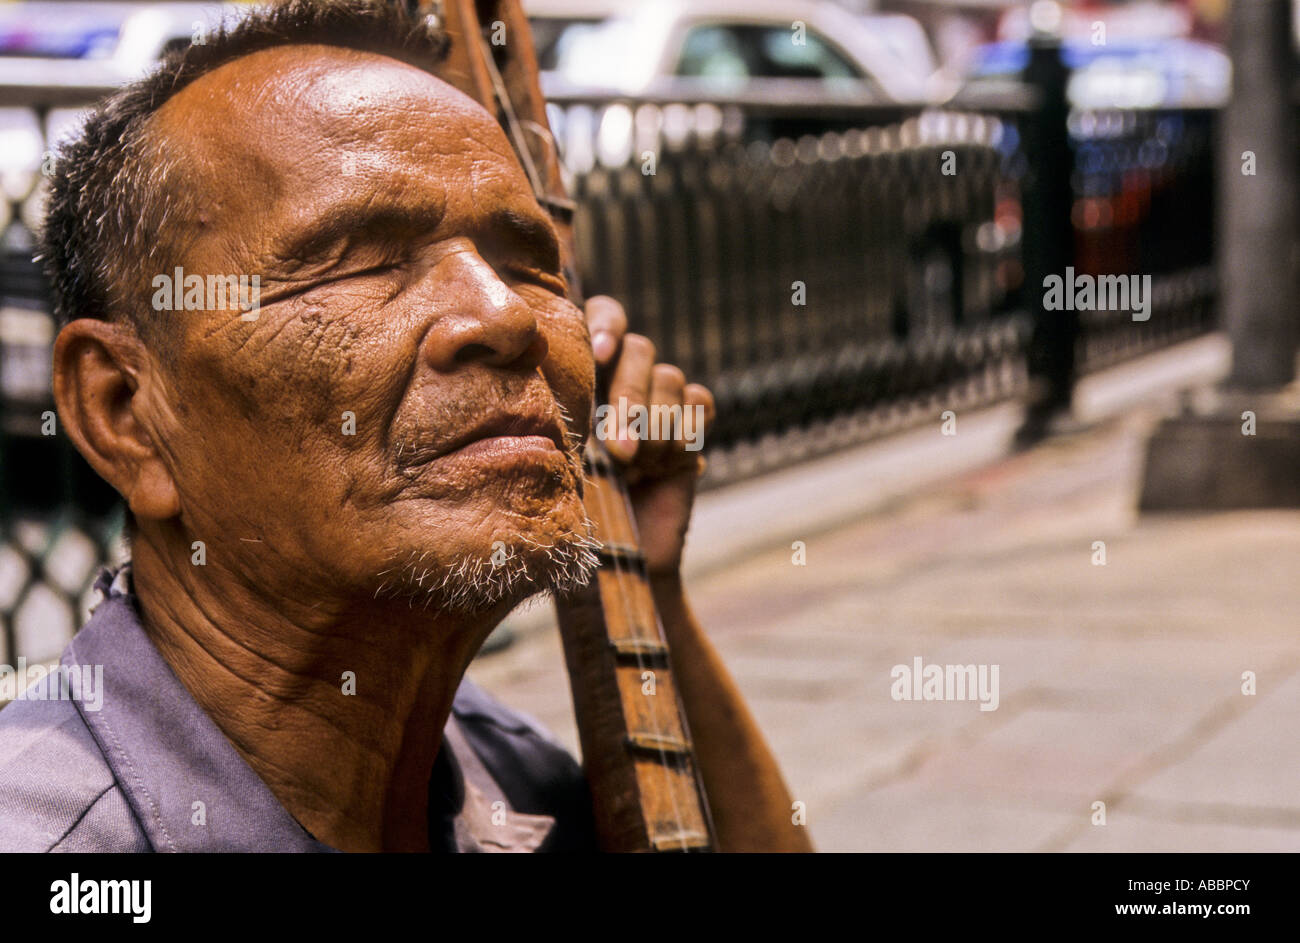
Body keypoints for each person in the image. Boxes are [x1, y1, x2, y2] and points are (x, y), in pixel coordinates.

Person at [0, 0, 811, 853]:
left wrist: (647, 591)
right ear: (126, 411)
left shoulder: (503, 776)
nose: (508, 317)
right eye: (367, 257)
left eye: (525, 262)